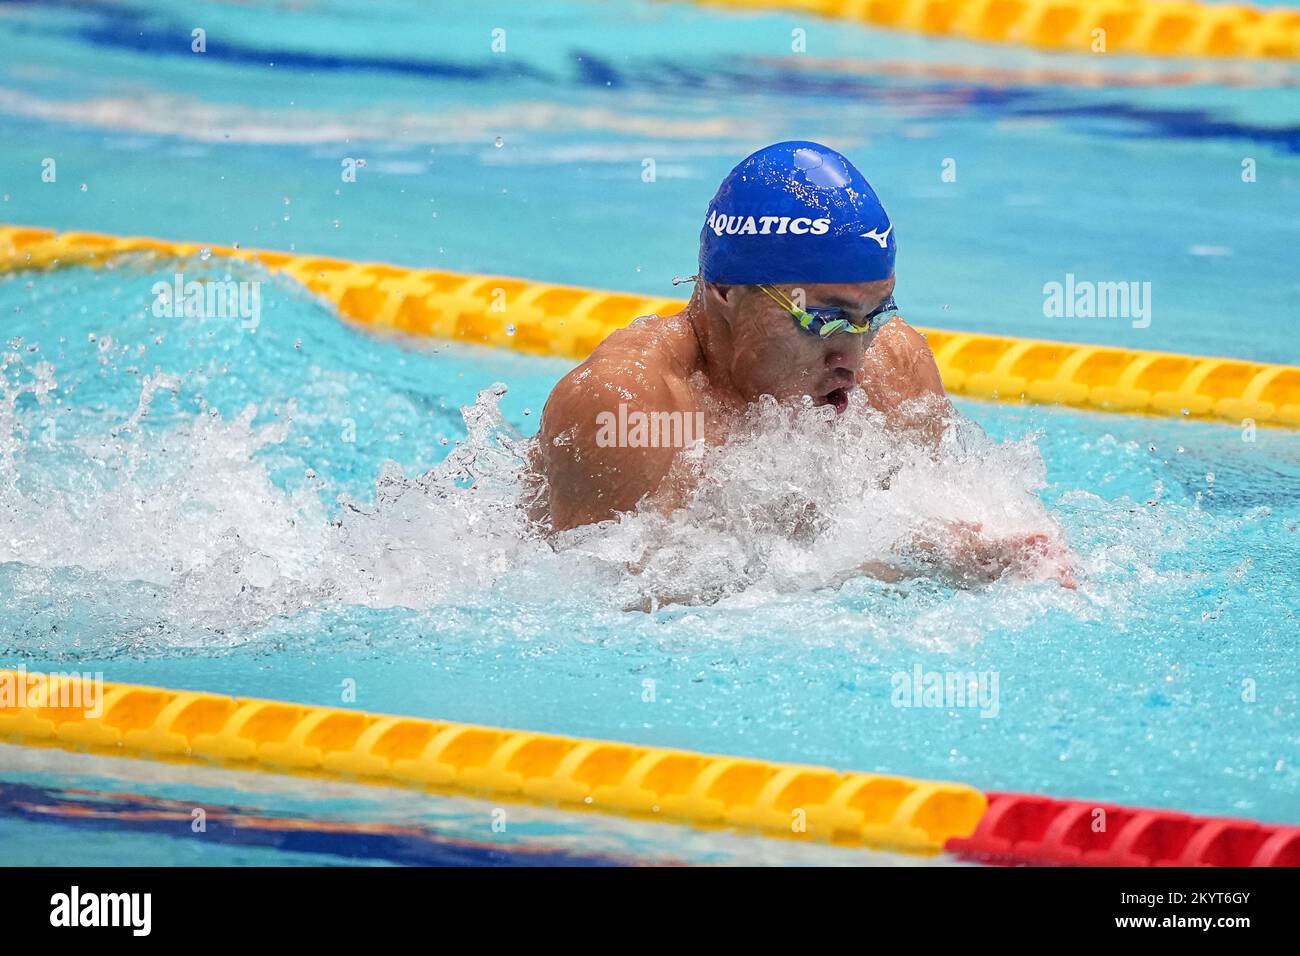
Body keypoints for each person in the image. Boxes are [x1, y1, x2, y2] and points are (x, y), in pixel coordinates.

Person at [531, 140, 1070, 586]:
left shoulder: (895, 363)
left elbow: (934, 521)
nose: (853, 360)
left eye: (874, 316)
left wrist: (978, 555)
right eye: (824, 320)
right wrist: (860, 569)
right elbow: (601, 617)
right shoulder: (628, 409)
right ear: (724, 290)